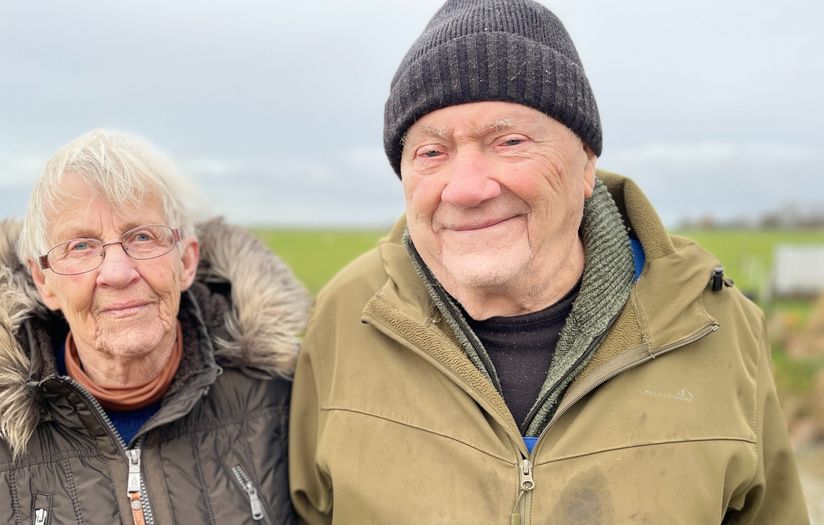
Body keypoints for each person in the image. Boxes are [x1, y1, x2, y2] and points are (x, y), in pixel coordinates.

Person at [288, 1, 809, 523]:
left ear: (585, 163)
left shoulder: (714, 323)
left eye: (509, 141)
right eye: (431, 152)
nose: (466, 189)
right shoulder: (346, 315)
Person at [0, 129, 309, 524]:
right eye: (80, 246)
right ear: (45, 282)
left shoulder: (279, 406)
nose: (117, 272)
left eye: (143, 236)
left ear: (186, 262)